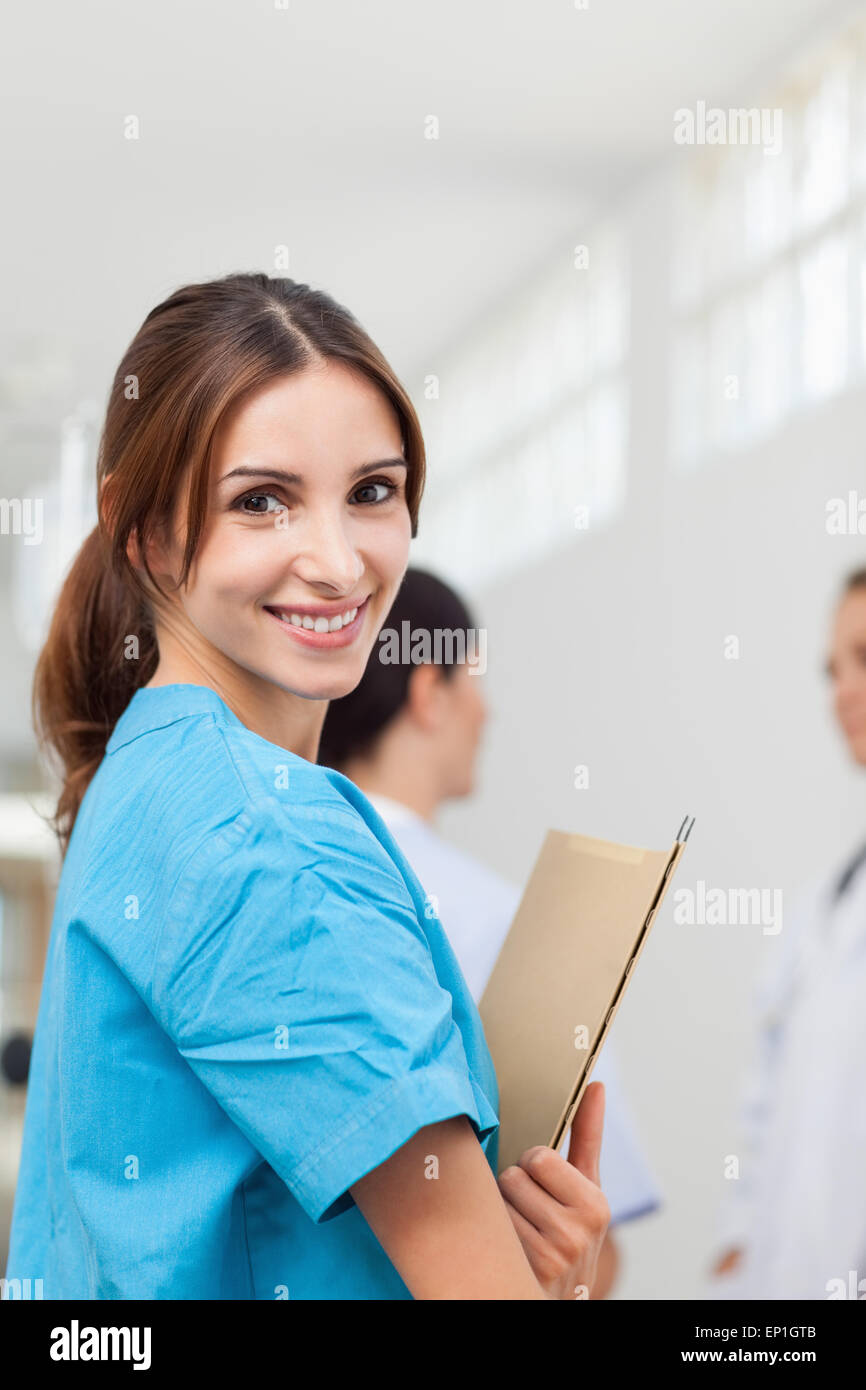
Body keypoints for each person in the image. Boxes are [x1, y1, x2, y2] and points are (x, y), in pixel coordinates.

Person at [5, 273, 609, 1300]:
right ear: (141, 531)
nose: (335, 562)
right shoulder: (267, 831)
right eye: (260, 501)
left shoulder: (144, 771)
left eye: (371, 491)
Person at [318, 567, 663, 1298]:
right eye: (471, 678)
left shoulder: (275, 879)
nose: (488, 709)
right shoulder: (506, 922)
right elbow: (585, 1256)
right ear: (427, 691)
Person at [707, 566, 866, 1300]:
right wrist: (738, 1252)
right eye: (831, 670)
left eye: (863, 657)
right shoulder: (820, 916)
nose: (840, 691)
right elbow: (767, 1117)